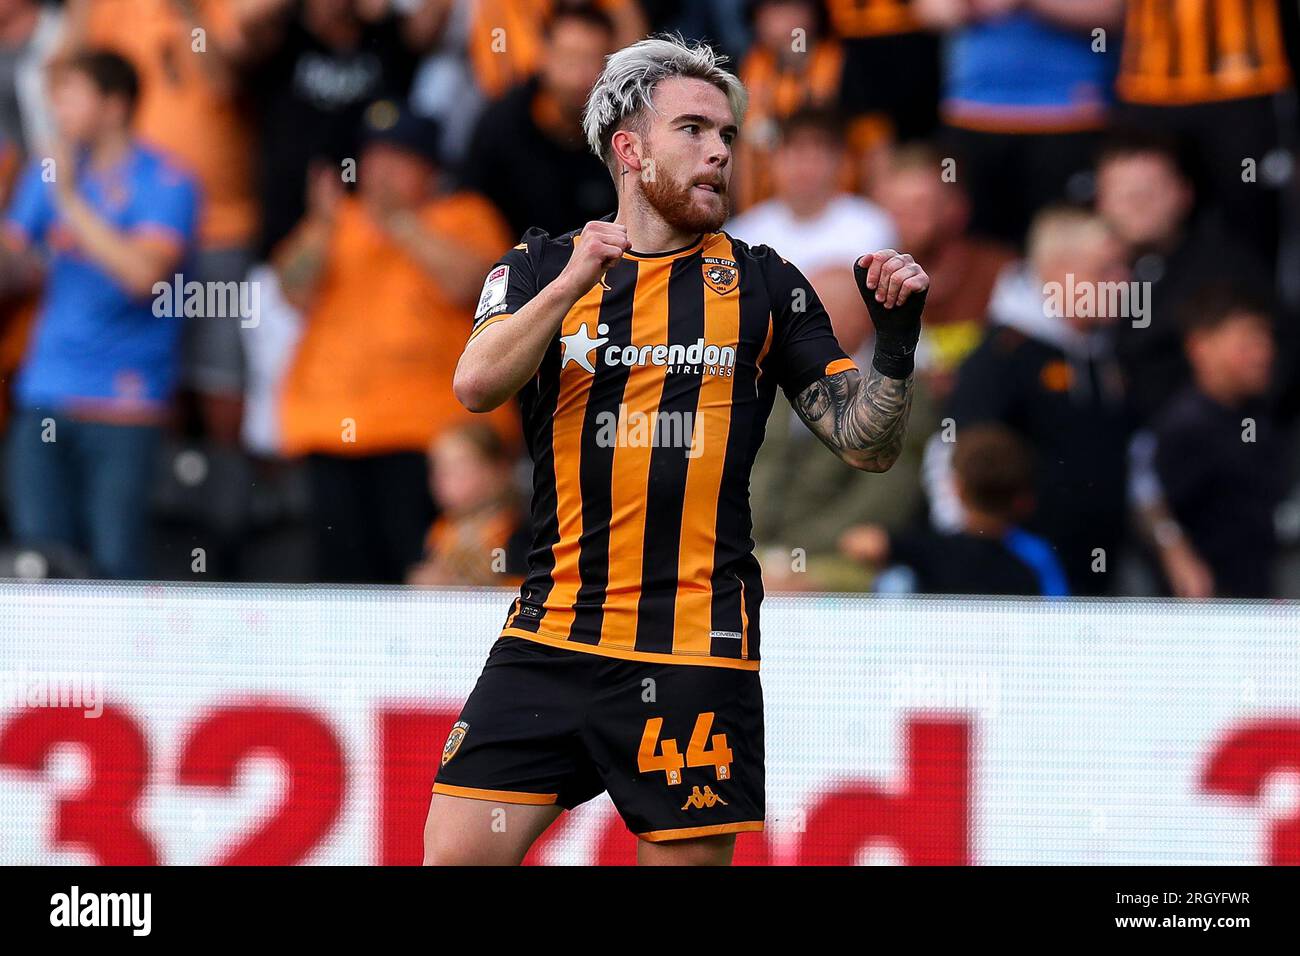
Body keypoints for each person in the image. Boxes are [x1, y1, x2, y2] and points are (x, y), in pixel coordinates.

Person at [424, 35, 930, 866]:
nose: (720, 151)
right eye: (693, 130)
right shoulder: (539, 263)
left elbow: (865, 443)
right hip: (551, 637)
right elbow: (476, 384)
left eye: (727, 134)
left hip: (695, 649)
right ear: (629, 149)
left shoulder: (767, 282)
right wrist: (573, 280)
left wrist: (897, 339)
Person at [274, 103, 515, 584]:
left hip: (425, 438)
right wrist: (321, 226)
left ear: (430, 170)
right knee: (339, 585)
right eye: (373, 157)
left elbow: (470, 284)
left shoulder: (463, 216)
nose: (380, 171)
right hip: (330, 431)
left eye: (398, 159)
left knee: (414, 578)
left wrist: (401, 224)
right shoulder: (337, 222)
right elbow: (291, 288)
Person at [0, 50, 200, 578]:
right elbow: (11, 265)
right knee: (38, 565)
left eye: (72, 96)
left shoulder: (168, 180)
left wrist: (68, 200)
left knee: (115, 571)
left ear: (114, 106)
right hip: (44, 392)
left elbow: (143, 275)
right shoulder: (49, 171)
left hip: (125, 400)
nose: (58, 110)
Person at [929, 206, 1130, 596]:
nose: (1123, 283)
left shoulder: (1107, 356)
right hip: (1020, 586)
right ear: (1056, 272)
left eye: (1123, 269)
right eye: (1105, 271)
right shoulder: (1002, 355)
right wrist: (970, 555)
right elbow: (950, 453)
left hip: (1097, 576)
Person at [1133, 288, 1286, 599]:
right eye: (1247, 342)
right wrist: (1175, 551)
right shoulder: (1183, 426)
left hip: (1259, 597)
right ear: (1200, 346)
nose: (1263, 354)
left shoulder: (1258, 416)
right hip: (1199, 607)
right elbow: (1146, 499)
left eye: (1266, 340)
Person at [841, 422, 1069, 596]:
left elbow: (860, 542)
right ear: (1023, 498)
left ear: (956, 488)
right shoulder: (1037, 557)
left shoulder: (930, 551)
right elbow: (1057, 610)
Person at [458, 2, 618, 238]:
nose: (579, 76)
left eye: (591, 61)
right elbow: (470, 208)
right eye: (569, 59)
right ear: (544, 56)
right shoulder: (502, 125)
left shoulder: (619, 133)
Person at [406, 421, 529, 588]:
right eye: (437, 467)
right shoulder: (438, 534)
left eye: (460, 465)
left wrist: (491, 583)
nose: (444, 476)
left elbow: (528, 590)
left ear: (496, 470)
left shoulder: (514, 533)